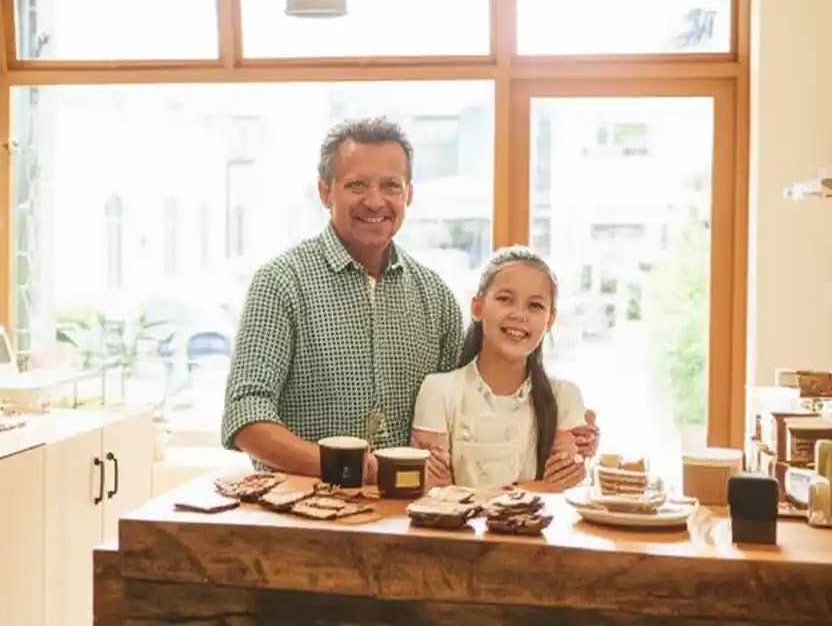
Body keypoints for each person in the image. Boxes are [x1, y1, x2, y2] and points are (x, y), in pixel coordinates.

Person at [220, 116, 465, 481]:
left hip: (410, 518)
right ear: (325, 192)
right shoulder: (281, 283)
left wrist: (561, 432)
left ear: (408, 194)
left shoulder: (437, 297)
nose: (375, 201)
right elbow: (245, 416)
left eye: (391, 186)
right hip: (301, 520)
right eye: (356, 185)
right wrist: (350, 468)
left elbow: (468, 407)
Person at [410, 246, 599, 489]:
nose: (519, 315)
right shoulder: (438, 390)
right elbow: (435, 491)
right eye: (505, 300)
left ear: (550, 319)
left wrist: (473, 496)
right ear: (477, 307)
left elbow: (561, 491)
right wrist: (531, 489)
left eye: (535, 306)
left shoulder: (565, 397)